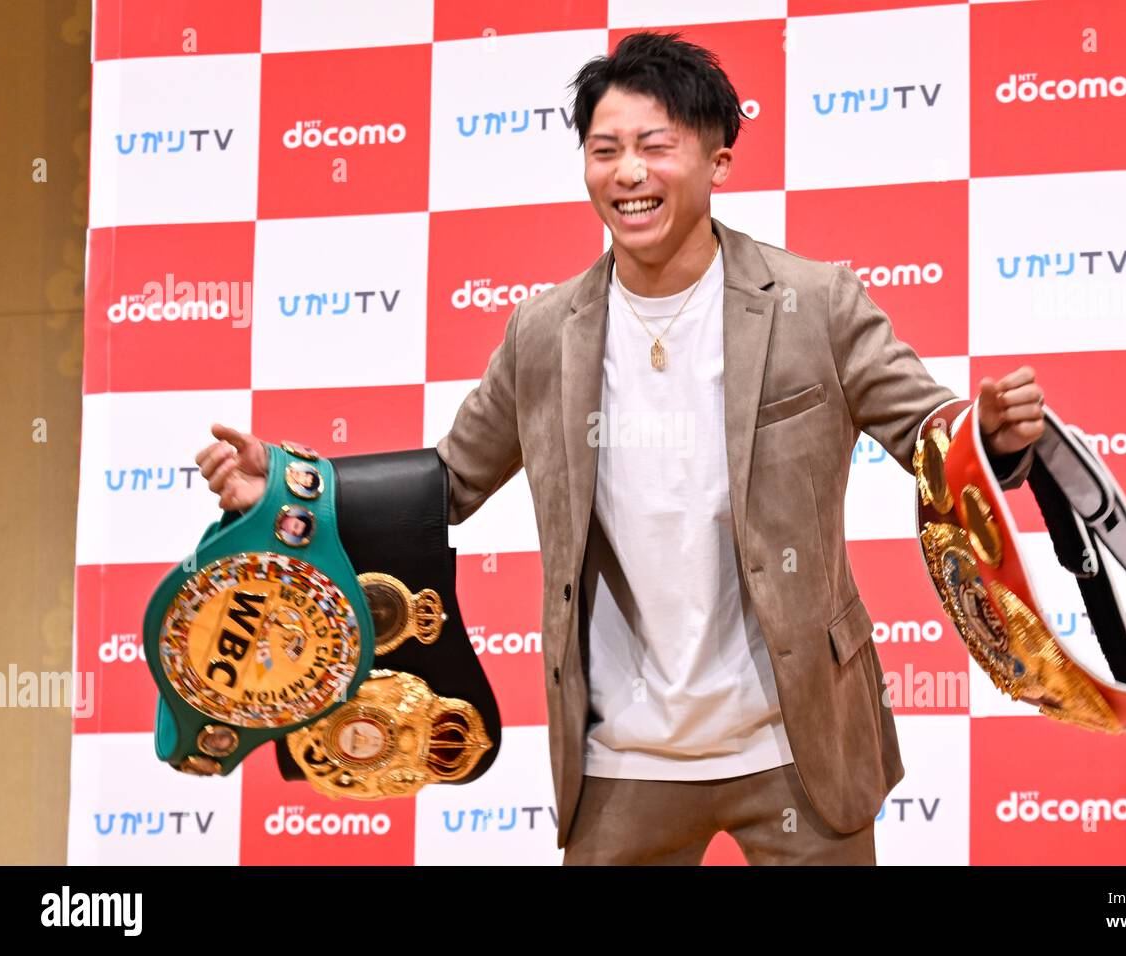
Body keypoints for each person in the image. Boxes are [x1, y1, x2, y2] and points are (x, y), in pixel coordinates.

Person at [194, 31, 1045, 865]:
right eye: (605, 150)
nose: (628, 173)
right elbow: (445, 483)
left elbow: (930, 432)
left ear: (718, 162)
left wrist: (990, 435)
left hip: (801, 741)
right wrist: (287, 486)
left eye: (654, 146)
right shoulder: (542, 334)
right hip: (619, 759)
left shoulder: (815, 304)